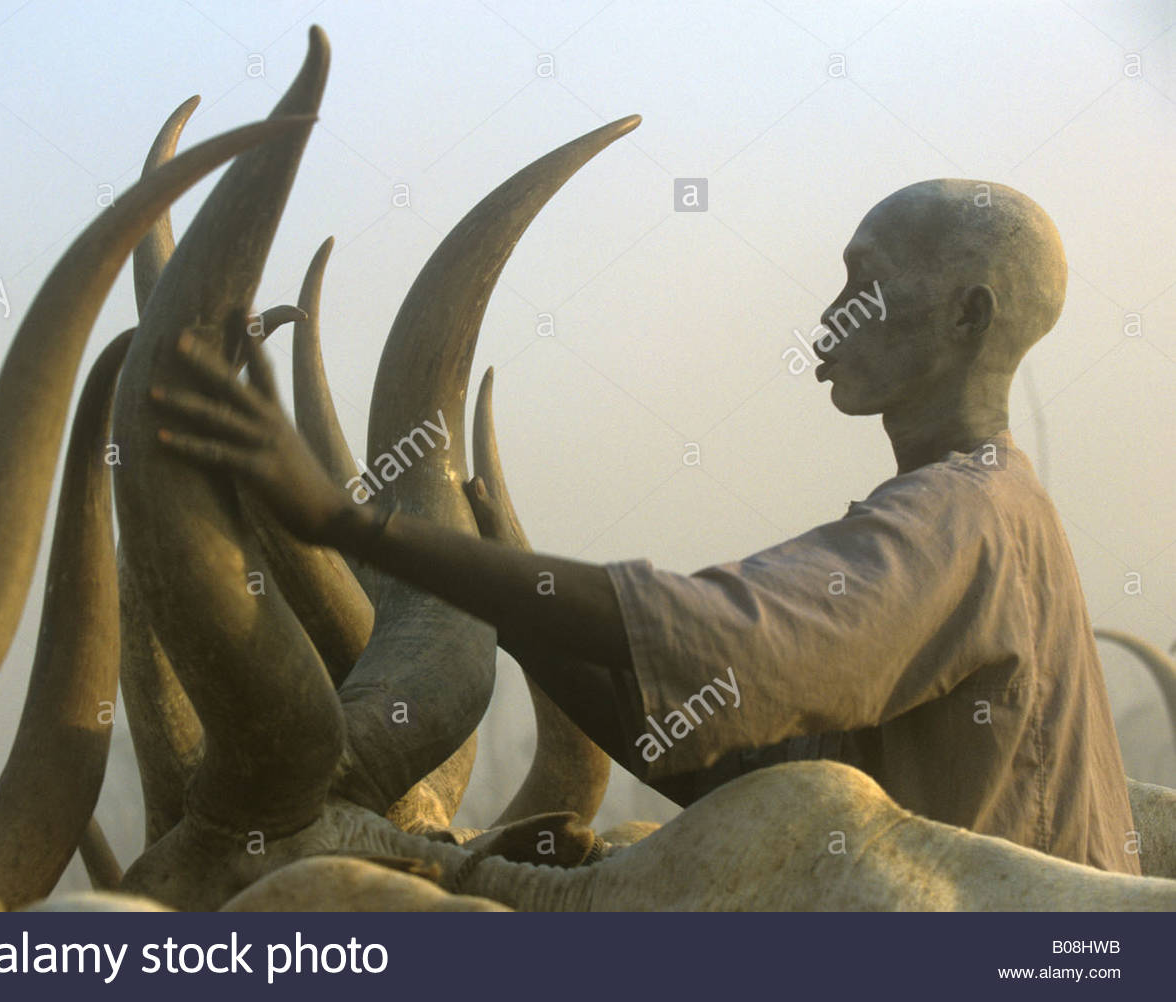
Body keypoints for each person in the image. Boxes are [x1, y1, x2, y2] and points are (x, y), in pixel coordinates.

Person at [153, 179, 1140, 874]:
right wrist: (515, 591)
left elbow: (713, 636)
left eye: (867, 285)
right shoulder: (990, 508)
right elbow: (721, 763)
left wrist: (347, 525)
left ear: (968, 319)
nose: (830, 318)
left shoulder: (959, 520)